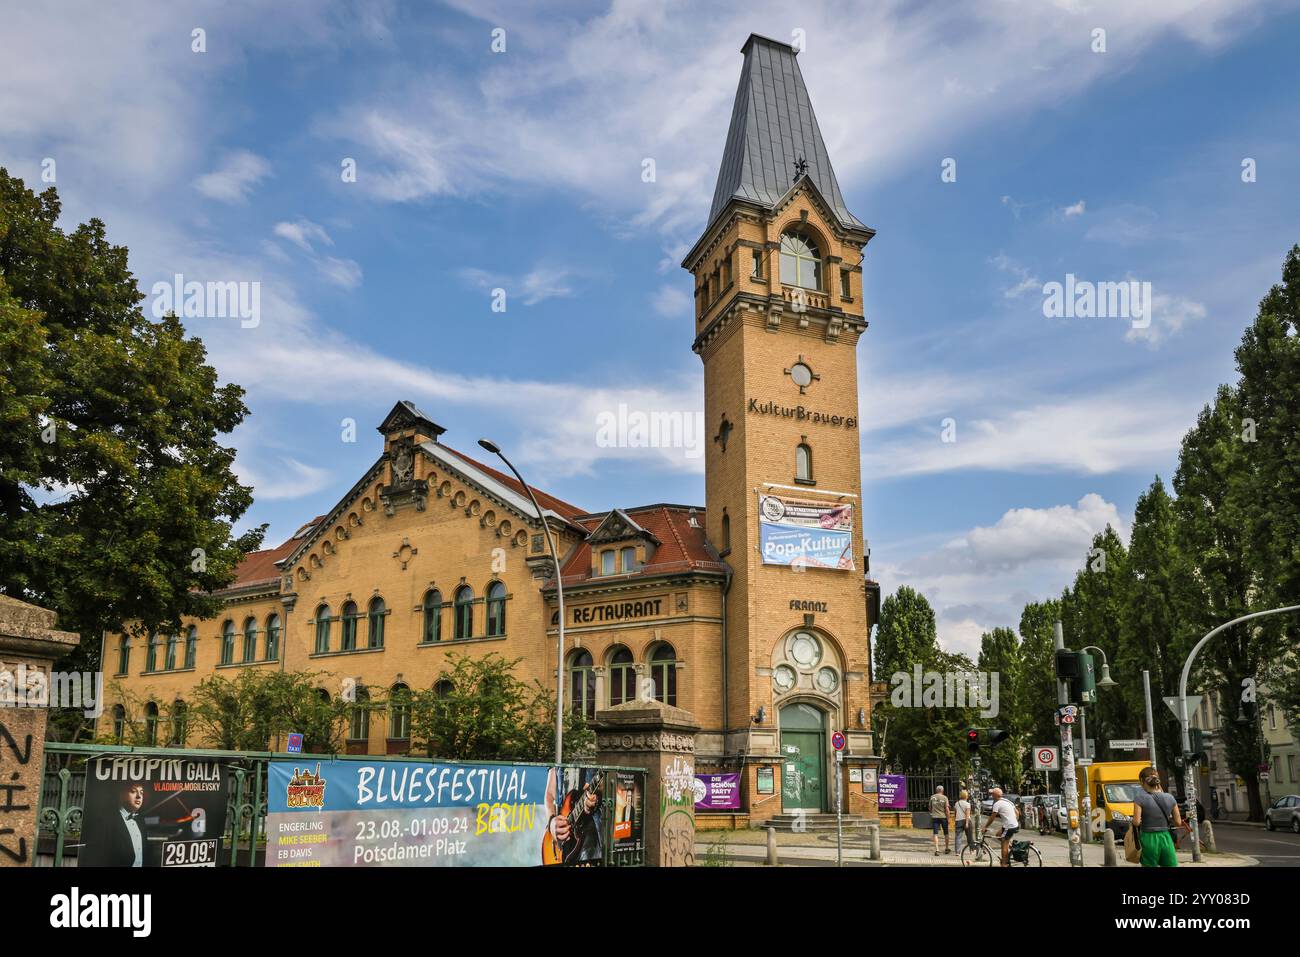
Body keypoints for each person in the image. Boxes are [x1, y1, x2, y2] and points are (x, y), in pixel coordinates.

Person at [1131, 766, 1181, 867]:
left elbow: (1136, 822)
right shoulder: (1170, 798)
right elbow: (1178, 822)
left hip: (1148, 838)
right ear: (1157, 781)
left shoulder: (1139, 799)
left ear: (1142, 781)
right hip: (1166, 837)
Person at [986, 787, 1019, 866]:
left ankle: (1004, 864)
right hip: (1013, 824)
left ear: (994, 795)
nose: (991, 796)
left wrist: (985, 827)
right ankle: (1011, 847)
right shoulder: (1008, 801)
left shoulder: (996, 804)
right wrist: (1014, 821)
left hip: (1009, 826)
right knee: (998, 835)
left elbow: (992, 817)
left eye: (992, 794)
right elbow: (1017, 813)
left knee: (1004, 843)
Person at [928, 784, 950, 855]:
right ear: (942, 790)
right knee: (946, 833)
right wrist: (948, 818)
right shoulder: (945, 798)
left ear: (936, 790)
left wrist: (932, 812)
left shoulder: (932, 797)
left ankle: (937, 849)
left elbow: (930, 808)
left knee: (935, 833)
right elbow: (947, 809)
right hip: (943, 817)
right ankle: (946, 848)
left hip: (935, 817)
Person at [954, 789, 972, 856]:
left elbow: (955, 813)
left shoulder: (957, 803)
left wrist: (956, 820)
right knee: (969, 836)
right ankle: (971, 850)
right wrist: (967, 823)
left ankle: (957, 852)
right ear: (966, 796)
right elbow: (967, 814)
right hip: (966, 820)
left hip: (958, 821)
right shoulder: (967, 804)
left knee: (958, 837)